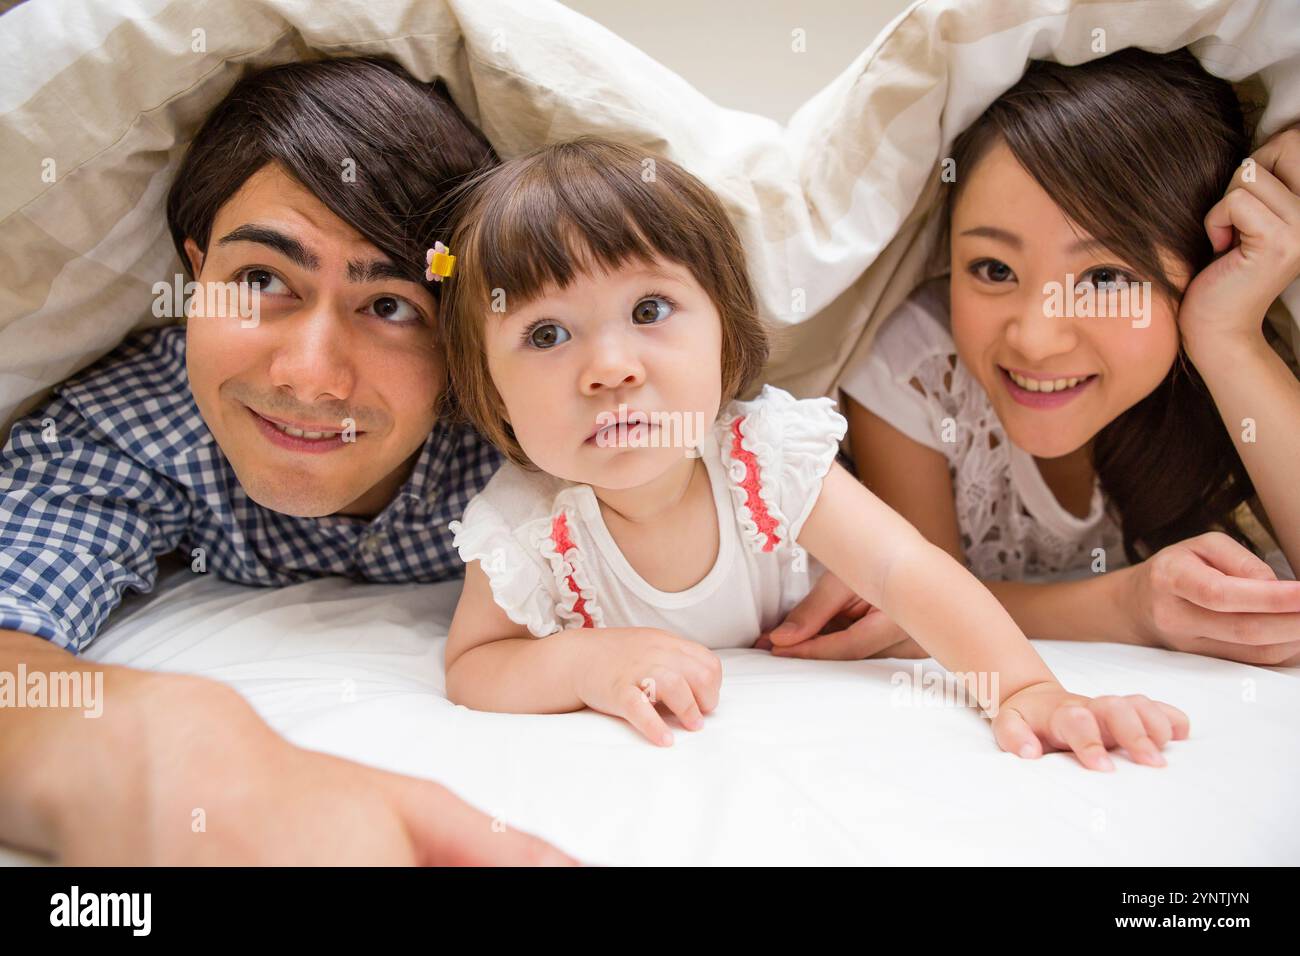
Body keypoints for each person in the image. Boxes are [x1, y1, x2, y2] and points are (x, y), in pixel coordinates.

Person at [437, 138, 1188, 771]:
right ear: (491, 392)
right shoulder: (526, 528)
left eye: (649, 311)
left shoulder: (764, 455)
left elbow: (907, 568)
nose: (610, 366)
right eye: (544, 335)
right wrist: (585, 663)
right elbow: (474, 665)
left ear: (725, 336)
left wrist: (1023, 690)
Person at [0, 57, 574, 865]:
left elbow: (719, 465)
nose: (310, 376)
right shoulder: (125, 431)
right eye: (262, 278)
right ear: (195, 274)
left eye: (390, 305)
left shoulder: (530, 422)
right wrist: (147, 748)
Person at [762, 49, 1300, 666]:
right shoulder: (915, 366)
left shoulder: (1212, 371)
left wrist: (1225, 334)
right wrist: (1126, 606)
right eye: (994, 269)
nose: (1035, 339)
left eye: (1104, 279)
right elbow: (914, 612)